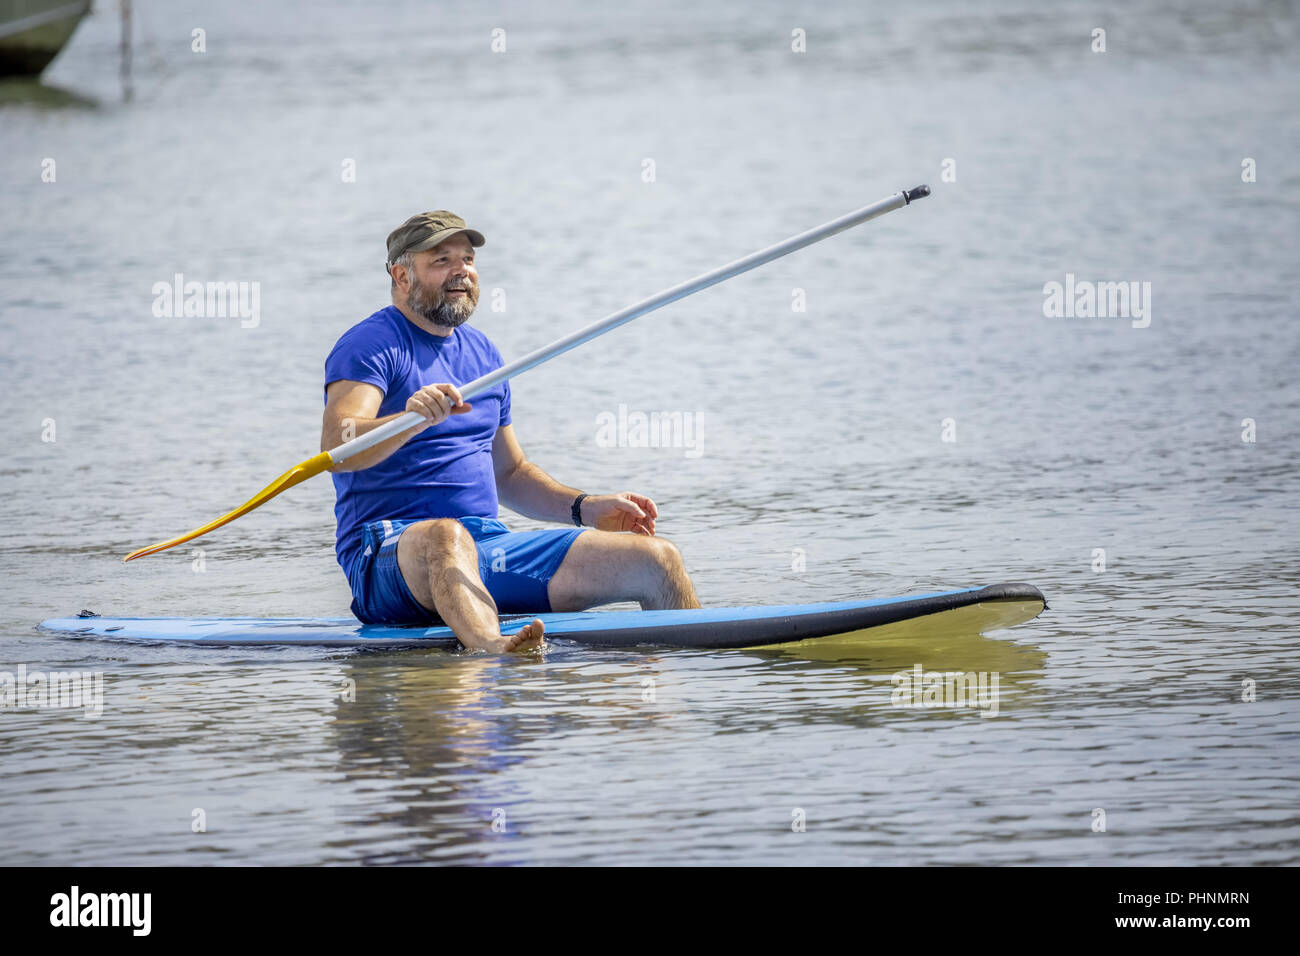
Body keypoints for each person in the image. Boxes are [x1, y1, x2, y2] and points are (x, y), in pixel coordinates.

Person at [323, 211, 700, 653]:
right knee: (447, 536)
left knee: (657, 559)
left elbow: (511, 473)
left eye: (467, 258)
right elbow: (339, 445)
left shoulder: (483, 354)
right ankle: (493, 650)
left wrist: (584, 506)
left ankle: (700, 671)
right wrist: (410, 419)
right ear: (402, 276)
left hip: (487, 549)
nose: (461, 269)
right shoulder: (370, 345)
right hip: (387, 557)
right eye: (442, 260)